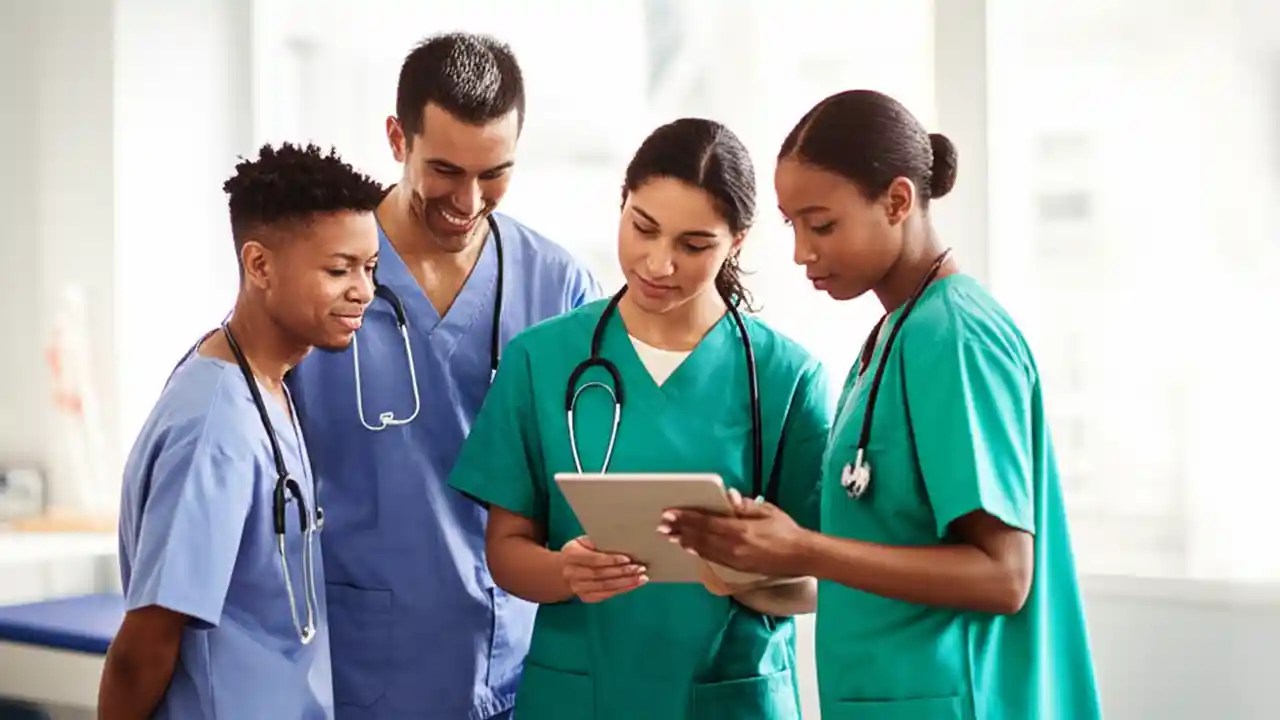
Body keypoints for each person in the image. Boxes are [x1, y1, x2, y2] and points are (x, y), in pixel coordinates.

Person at [664, 89, 1103, 719]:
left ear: (898, 201)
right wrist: (763, 551)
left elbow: (1003, 576)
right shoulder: (899, 332)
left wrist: (805, 549)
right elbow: (888, 537)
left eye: (823, 224)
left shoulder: (954, 336)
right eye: (792, 226)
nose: (802, 252)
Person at [448, 117, 833, 720]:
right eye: (643, 228)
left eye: (694, 244)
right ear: (622, 204)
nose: (659, 263)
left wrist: (744, 579)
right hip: (582, 694)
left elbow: (819, 581)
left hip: (729, 696)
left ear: (737, 241)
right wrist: (564, 571)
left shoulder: (787, 379)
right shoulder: (542, 360)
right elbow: (506, 551)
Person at [284, 32, 600, 720]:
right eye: (447, 170)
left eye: (495, 173)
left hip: (518, 663)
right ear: (398, 139)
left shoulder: (557, 284)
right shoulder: (322, 273)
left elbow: (592, 472)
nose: (470, 198)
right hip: (364, 668)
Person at [99, 142, 385, 719]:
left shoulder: (268, 385)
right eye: (338, 270)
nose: (364, 291)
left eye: (369, 268)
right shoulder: (216, 426)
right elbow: (147, 641)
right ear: (259, 265)